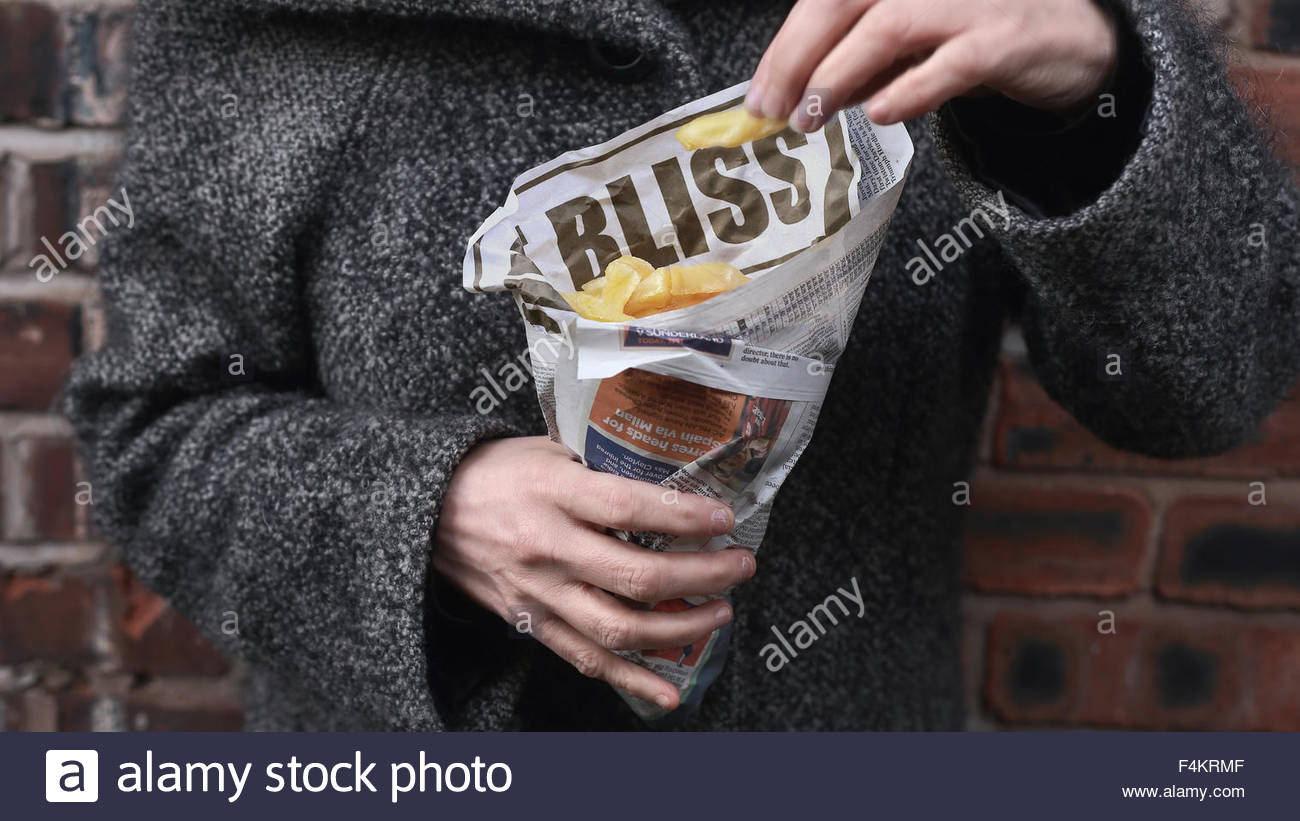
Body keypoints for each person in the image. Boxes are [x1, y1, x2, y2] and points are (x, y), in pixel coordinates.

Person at [64, 0, 1300, 731]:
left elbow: (1210, 381)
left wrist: (1095, 95)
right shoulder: (261, 28)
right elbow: (155, 429)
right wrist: (422, 515)